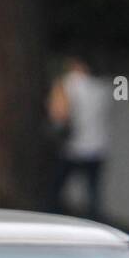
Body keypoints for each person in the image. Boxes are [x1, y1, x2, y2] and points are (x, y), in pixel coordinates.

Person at [46, 56, 111, 220]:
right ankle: (94, 223)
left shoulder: (68, 83)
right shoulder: (101, 88)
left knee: (55, 189)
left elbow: (57, 113)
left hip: (73, 147)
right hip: (97, 147)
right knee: (93, 194)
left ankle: (52, 218)